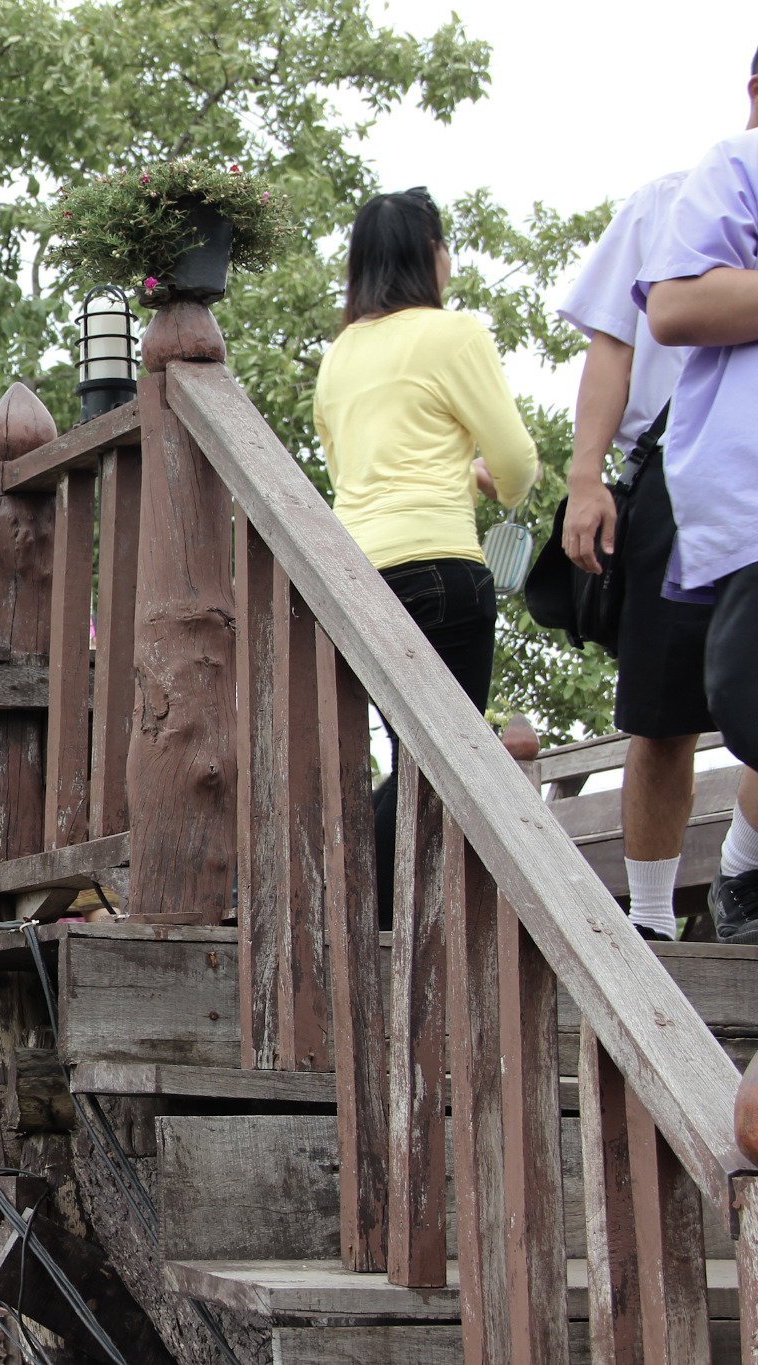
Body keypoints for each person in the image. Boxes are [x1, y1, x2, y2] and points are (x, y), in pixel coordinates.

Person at [561, 63, 758, 941]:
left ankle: (743, 867)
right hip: (675, 475)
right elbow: (615, 345)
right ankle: (647, 921)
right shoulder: (668, 200)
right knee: (662, 710)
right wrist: (585, 476)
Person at [312, 188, 540, 925]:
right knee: (446, 769)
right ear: (430, 254)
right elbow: (517, 459)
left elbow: (352, 468)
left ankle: (358, 903)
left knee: (418, 760)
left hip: (357, 579)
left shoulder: (339, 354)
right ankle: (355, 902)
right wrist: (495, 484)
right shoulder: (454, 334)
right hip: (442, 570)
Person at [636, 60, 758, 941]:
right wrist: (580, 480)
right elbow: (670, 307)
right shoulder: (737, 165)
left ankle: (745, 865)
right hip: (743, 501)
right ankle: (670, 911)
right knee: (711, 703)